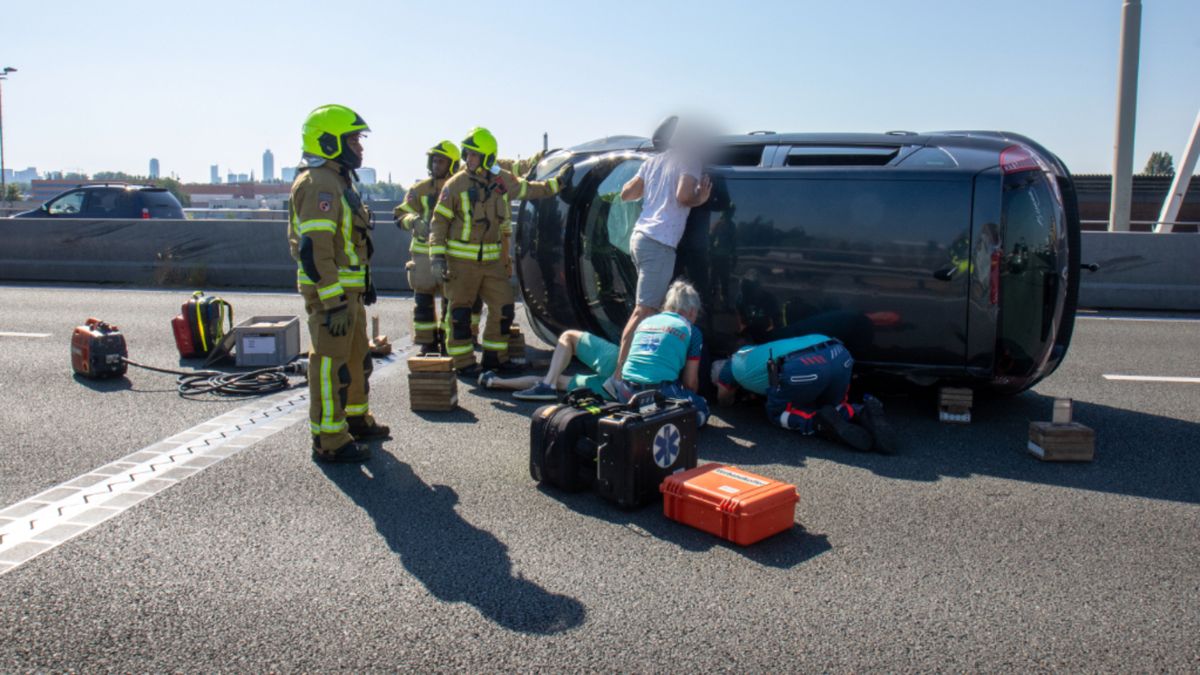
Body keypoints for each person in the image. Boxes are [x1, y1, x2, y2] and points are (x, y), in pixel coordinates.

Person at [287, 104, 390, 463]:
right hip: (334, 297)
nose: (360, 147)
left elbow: (348, 242)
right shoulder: (319, 184)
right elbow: (315, 251)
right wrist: (332, 303)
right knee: (332, 367)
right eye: (352, 139)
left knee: (358, 359)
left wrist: (364, 281)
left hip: (350, 292)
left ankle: (355, 419)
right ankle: (330, 440)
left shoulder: (338, 178)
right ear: (329, 141)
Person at [428, 127, 570, 377]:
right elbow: (439, 222)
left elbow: (531, 189)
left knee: (504, 308)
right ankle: (462, 363)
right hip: (461, 264)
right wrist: (437, 257)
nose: (468, 160)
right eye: (467, 155)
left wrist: (557, 184)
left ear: (487, 157)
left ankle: (495, 358)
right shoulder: (455, 184)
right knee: (459, 314)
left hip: (492, 264)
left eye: (473, 155)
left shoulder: (502, 181)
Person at [479, 279, 710, 427]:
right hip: (645, 391)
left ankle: (500, 381)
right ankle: (658, 416)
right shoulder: (691, 330)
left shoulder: (647, 321)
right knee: (700, 407)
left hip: (621, 375)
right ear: (691, 311)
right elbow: (690, 381)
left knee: (567, 342)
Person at [612, 119, 712, 387]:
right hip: (660, 241)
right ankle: (619, 377)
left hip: (640, 237)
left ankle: (642, 369)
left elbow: (626, 193)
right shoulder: (689, 158)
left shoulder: (654, 161)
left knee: (648, 306)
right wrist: (699, 198)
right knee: (644, 310)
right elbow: (683, 195)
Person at [711, 335, 896, 453]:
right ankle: (862, 411)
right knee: (835, 403)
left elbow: (724, 399)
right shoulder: (767, 348)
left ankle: (816, 423)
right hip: (837, 352)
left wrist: (727, 400)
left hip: (803, 366)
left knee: (777, 413)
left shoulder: (732, 364)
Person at [394, 140, 467, 353]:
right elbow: (399, 214)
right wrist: (414, 220)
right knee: (423, 301)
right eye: (434, 160)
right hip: (423, 254)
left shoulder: (459, 189)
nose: (436, 165)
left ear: (452, 164)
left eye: (441, 161)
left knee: (450, 302)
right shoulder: (419, 190)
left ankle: (446, 341)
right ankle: (427, 342)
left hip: (450, 253)